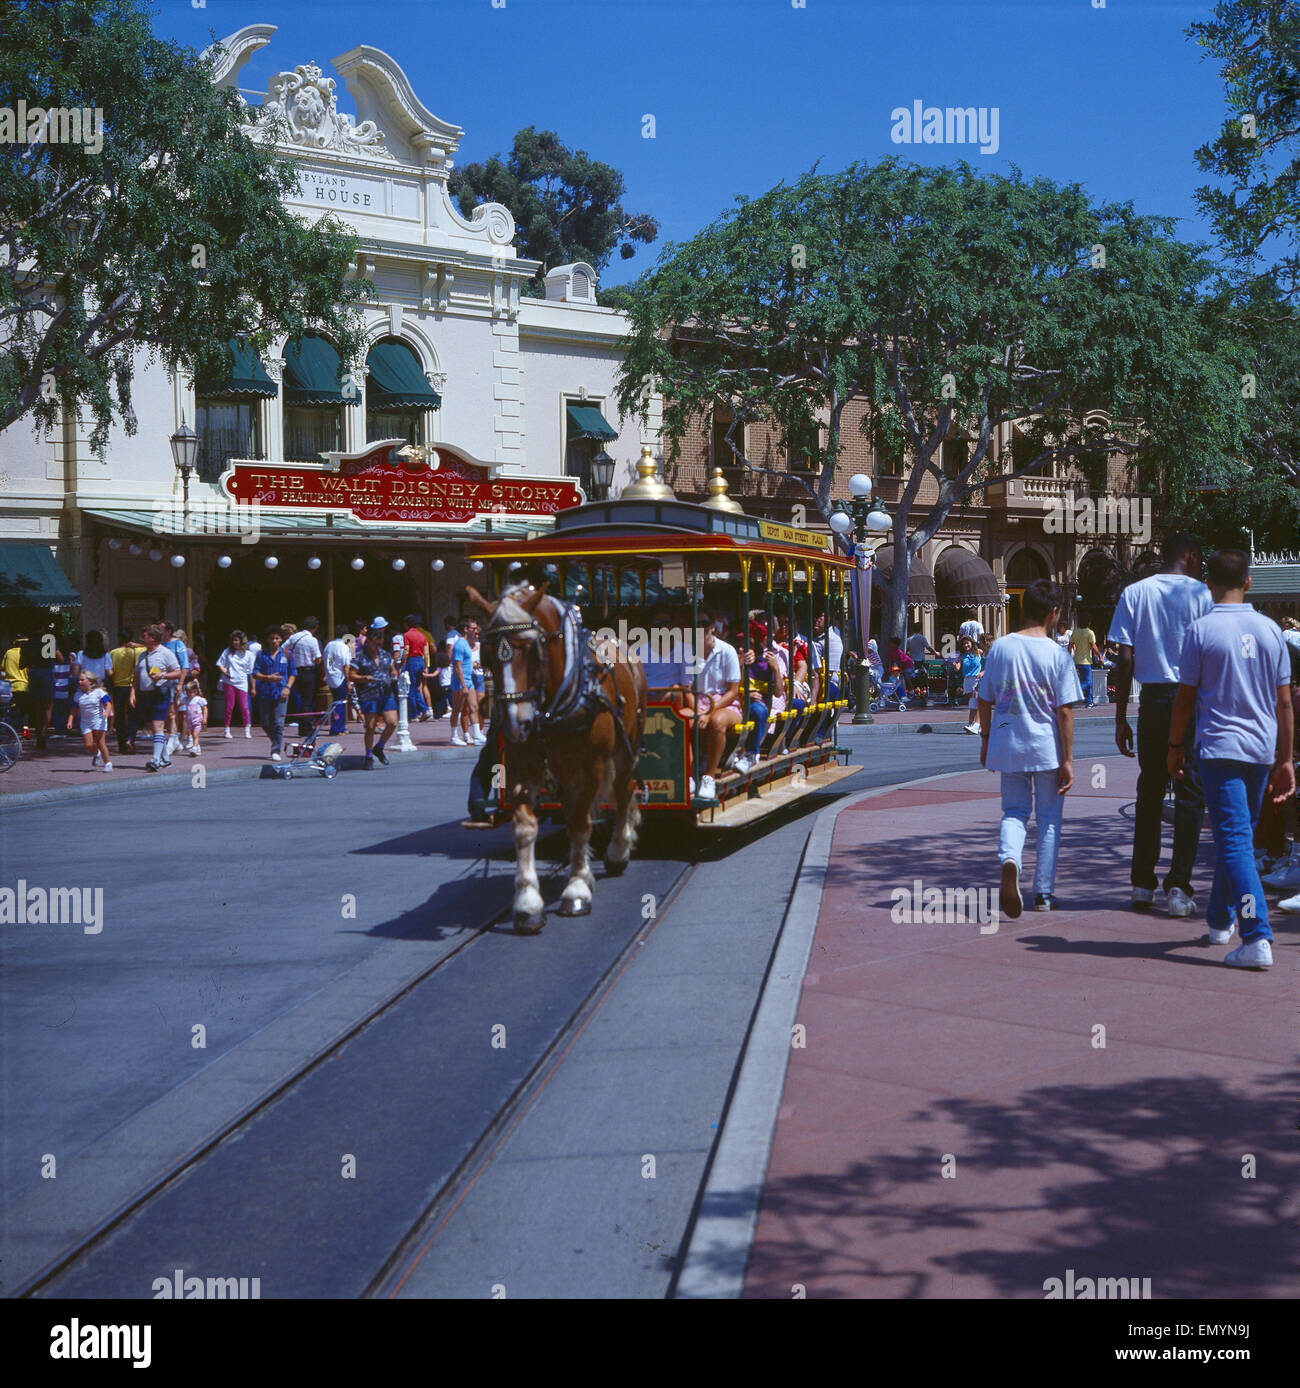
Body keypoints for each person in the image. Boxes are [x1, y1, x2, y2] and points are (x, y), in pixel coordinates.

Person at [1168, 550, 1295, 969]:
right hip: (1261, 749)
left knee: (1235, 838)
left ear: (1210, 585)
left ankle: (1256, 932)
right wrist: (1287, 758)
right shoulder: (1271, 629)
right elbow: (1284, 703)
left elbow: (1185, 699)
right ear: (1249, 582)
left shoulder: (1201, 630)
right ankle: (1221, 918)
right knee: (1237, 835)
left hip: (1220, 748)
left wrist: (1173, 746)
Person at [1108, 531, 1212, 916]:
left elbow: (1125, 658)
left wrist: (1120, 717)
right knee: (1189, 793)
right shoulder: (1202, 595)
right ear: (1188, 555)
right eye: (1198, 557)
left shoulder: (1136, 593)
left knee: (1150, 790)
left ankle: (1141, 882)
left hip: (1152, 701)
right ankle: (1179, 886)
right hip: (1193, 700)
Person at [977, 578, 1083, 916]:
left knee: (1014, 812)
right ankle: (1043, 893)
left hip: (1009, 743)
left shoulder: (1001, 647)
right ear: (1054, 613)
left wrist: (987, 738)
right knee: (1049, 818)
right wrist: (1068, 758)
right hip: (1046, 747)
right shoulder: (1057, 654)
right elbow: (1064, 711)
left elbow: (985, 698)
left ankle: (1010, 858)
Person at [693, 611, 743, 800]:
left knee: (716, 721)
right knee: (680, 719)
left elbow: (732, 691)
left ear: (713, 626)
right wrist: (698, 712)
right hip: (697, 703)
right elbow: (687, 687)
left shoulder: (727, 650)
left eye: (704, 623)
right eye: (695, 624)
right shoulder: (689, 652)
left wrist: (708, 711)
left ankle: (709, 776)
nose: (700, 628)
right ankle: (689, 774)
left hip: (725, 704)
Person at [348, 618, 398, 766]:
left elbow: (392, 669)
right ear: (369, 642)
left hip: (386, 693)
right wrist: (364, 678)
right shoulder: (360, 657)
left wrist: (394, 675)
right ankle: (368, 755)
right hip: (369, 694)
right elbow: (351, 675)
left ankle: (380, 747)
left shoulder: (385, 655)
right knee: (370, 727)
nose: (379, 647)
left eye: (381, 644)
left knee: (392, 722)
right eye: (376, 644)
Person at [132, 624, 182, 771]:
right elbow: (136, 676)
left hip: (161, 693)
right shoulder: (143, 655)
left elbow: (178, 672)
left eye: (145, 635)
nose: (142, 638)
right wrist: (133, 692)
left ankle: (155, 759)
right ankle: (166, 759)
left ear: (153, 638)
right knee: (155, 728)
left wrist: (162, 675)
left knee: (157, 725)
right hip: (146, 694)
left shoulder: (165, 653)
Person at [250, 625, 295, 762]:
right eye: (272, 638)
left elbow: (293, 673)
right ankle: (276, 740)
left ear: (281, 639)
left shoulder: (287, 654)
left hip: (281, 692)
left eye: (277, 638)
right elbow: (255, 673)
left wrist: (287, 687)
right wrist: (268, 677)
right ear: (268, 640)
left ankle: (275, 749)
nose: (274, 641)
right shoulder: (261, 655)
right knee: (265, 722)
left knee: (278, 723)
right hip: (265, 692)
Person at [284, 617, 323, 737]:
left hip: (295, 671)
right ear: (315, 627)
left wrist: (291, 659)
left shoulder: (294, 637)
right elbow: (317, 659)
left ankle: (302, 726)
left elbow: (283, 649)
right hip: (308, 671)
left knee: (299, 699)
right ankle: (305, 728)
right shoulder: (312, 640)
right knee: (307, 700)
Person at [216, 630, 257, 739]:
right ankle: (226, 729)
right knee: (229, 706)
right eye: (233, 640)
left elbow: (252, 672)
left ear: (242, 641)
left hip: (242, 682)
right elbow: (220, 664)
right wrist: (224, 671)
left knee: (244, 706)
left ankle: (247, 729)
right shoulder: (227, 651)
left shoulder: (249, 655)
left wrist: (253, 687)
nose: (234, 642)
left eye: (237, 640)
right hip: (229, 682)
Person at [107, 630, 142, 754]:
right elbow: (149, 647)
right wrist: (136, 645)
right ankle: (130, 739)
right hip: (133, 686)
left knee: (119, 716)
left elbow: (109, 671)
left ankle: (122, 743)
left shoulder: (113, 653)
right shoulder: (138, 651)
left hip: (118, 686)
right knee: (133, 715)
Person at [449, 617, 482, 746]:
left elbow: (466, 663)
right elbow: (457, 667)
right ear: (465, 629)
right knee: (457, 709)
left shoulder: (467, 644)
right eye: (473, 628)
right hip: (460, 682)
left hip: (469, 680)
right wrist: (463, 685)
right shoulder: (459, 645)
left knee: (474, 707)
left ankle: (477, 735)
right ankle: (454, 736)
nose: (475, 630)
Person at [74, 670, 114, 772]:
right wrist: (70, 721)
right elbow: (73, 709)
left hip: (99, 720)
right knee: (88, 745)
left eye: (82, 680)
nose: (80, 682)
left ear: (90, 681)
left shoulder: (99, 692)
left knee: (100, 743)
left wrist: (107, 712)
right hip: (85, 722)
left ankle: (108, 764)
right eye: (79, 680)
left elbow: (108, 704)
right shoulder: (78, 695)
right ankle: (97, 754)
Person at [23, 632, 56, 748]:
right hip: (47, 672)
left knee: (36, 706)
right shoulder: (49, 639)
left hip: (34, 671)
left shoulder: (27, 644)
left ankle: (38, 734)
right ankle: (43, 733)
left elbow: (21, 664)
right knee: (48, 706)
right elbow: (57, 658)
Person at [323, 624, 352, 735]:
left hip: (331, 677)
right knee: (340, 703)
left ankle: (339, 727)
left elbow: (330, 660)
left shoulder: (329, 645)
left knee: (336, 702)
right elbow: (346, 665)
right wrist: (348, 681)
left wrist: (331, 669)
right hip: (340, 677)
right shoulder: (343, 647)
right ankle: (337, 728)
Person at [401, 613, 431, 721]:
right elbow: (426, 653)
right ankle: (424, 710)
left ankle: (414, 714)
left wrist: (402, 662)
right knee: (416, 687)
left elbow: (406, 650)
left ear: (407, 624)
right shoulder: (422, 635)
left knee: (411, 689)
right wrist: (425, 666)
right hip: (421, 660)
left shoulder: (407, 635)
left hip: (412, 661)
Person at [811, 613, 845, 704]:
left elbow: (829, 673)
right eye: (815, 616)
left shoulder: (833, 639)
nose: (816, 619)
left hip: (828, 685)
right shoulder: (807, 637)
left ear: (828, 618)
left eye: (820, 616)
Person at [1067, 617, 1101, 708]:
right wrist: (1100, 657)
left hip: (1077, 661)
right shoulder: (1090, 632)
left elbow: (1070, 646)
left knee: (1085, 680)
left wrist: (1068, 657)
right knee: (1088, 682)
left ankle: (1089, 701)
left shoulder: (1075, 632)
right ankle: (1073, 693)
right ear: (1089, 623)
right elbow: (1093, 646)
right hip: (1086, 661)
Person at [960, 636, 983, 733]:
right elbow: (958, 666)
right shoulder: (963, 655)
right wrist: (955, 666)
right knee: (972, 703)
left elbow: (987, 660)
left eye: (967, 643)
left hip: (976, 679)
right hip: (967, 680)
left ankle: (976, 725)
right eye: (964, 644)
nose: (966, 645)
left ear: (971, 643)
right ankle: (972, 724)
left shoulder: (979, 652)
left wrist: (982, 672)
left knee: (976, 702)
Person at [182, 676, 208, 756]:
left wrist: (204, 718)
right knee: (192, 734)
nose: (188, 694)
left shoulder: (199, 699)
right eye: (187, 692)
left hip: (197, 720)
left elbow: (205, 709)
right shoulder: (186, 699)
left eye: (190, 692)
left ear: (195, 691)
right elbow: (179, 704)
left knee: (196, 735)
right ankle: (197, 748)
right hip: (189, 720)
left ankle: (195, 747)